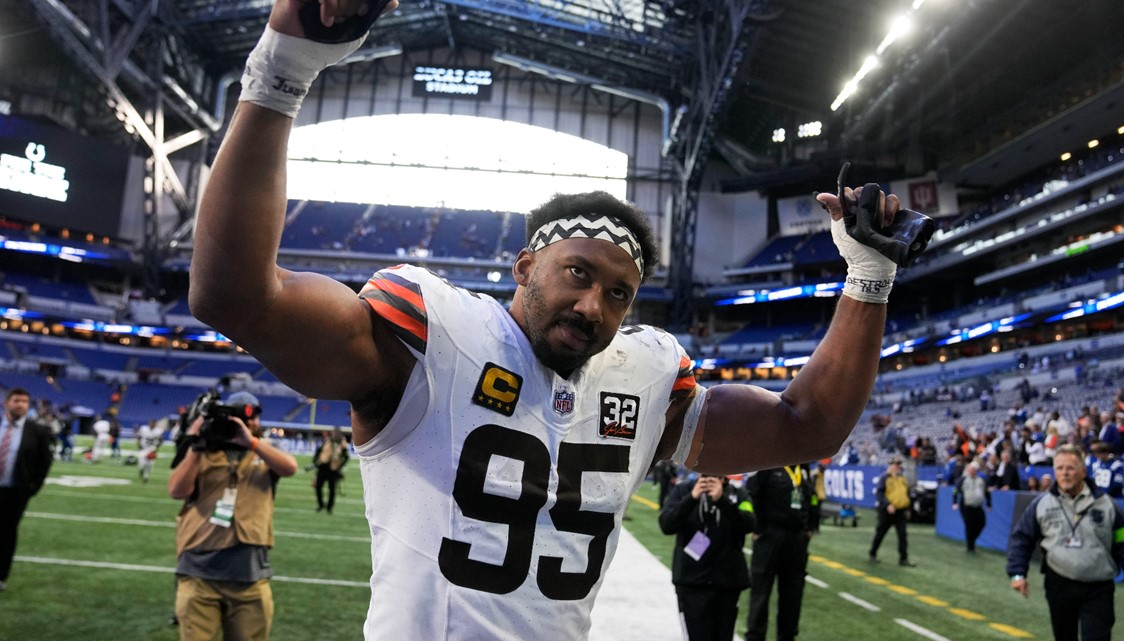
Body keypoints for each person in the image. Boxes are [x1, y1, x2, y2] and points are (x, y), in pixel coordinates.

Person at [188, 0, 912, 636]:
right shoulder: (436, 334)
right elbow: (236, 297)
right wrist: (283, 68)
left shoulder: (645, 376)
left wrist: (870, 277)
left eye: (620, 293)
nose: (594, 306)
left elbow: (808, 425)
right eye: (578, 274)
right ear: (525, 267)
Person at [167, 392, 298, 641]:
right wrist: (198, 444)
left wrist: (251, 442)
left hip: (250, 575)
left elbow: (289, 467)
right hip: (199, 573)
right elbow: (177, 491)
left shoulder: (263, 450)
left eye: (252, 418)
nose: (248, 423)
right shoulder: (202, 449)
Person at [1007, 445, 1124, 640]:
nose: (1065, 473)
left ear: (1083, 471)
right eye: (1060, 468)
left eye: (1070, 468)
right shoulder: (1041, 505)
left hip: (1098, 589)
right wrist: (1017, 573)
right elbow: (1022, 538)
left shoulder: (1108, 506)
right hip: (1058, 585)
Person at [658, 474, 753, 641]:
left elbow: (750, 524)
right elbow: (666, 524)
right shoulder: (683, 490)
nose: (710, 478)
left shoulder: (738, 494)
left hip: (727, 582)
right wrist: (691, 498)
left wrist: (722, 501)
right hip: (692, 582)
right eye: (705, 474)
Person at [744, 464, 820, 641]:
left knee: (793, 593)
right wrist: (758, 527)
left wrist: (810, 527)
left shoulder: (803, 468)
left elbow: (812, 498)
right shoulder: (768, 463)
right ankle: (755, 637)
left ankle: (787, 636)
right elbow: (753, 493)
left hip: (797, 538)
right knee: (760, 592)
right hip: (770, 534)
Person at [0, 388, 54, 591]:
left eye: (24, 401)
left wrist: (32, 488)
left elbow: (44, 462)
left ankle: (1, 575)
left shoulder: (38, 431)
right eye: (16, 400)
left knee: (7, 533)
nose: (21, 405)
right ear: (6, 403)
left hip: (15, 491)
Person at [869, 455, 915, 566]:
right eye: (895, 464)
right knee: (880, 533)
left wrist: (908, 508)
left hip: (900, 511)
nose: (897, 467)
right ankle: (873, 553)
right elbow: (879, 493)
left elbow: (906, 494)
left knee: (902, 535)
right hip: (887, 512)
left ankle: (903, 559)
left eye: (899, 465)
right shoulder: (884, 477)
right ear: (891, 465)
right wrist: (887, 504)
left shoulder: (902, 478)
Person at [951, 461, 991, 552]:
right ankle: (970, 546)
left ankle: (971, 540)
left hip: (978, 506)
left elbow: (986, 491)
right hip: (966, 506)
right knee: (969, 525)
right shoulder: (962, 480)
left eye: (974, 469)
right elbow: (955, 490)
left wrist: (989, 503)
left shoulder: (981, 480)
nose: (973, 471)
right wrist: (954, 502)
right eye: (971, 469)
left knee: (981, 523)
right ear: (968, 470)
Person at [312, 429, 349, 513]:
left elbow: (346, 457)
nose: (335, 435)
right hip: (323, 467)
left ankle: (329, 507)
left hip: (333, 469)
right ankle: (321, 504)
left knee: (332, 489)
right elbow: (319, 451)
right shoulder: (327, 441)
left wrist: (340, 466)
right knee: (318, 487)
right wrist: (316, 461)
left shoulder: (342, 444)